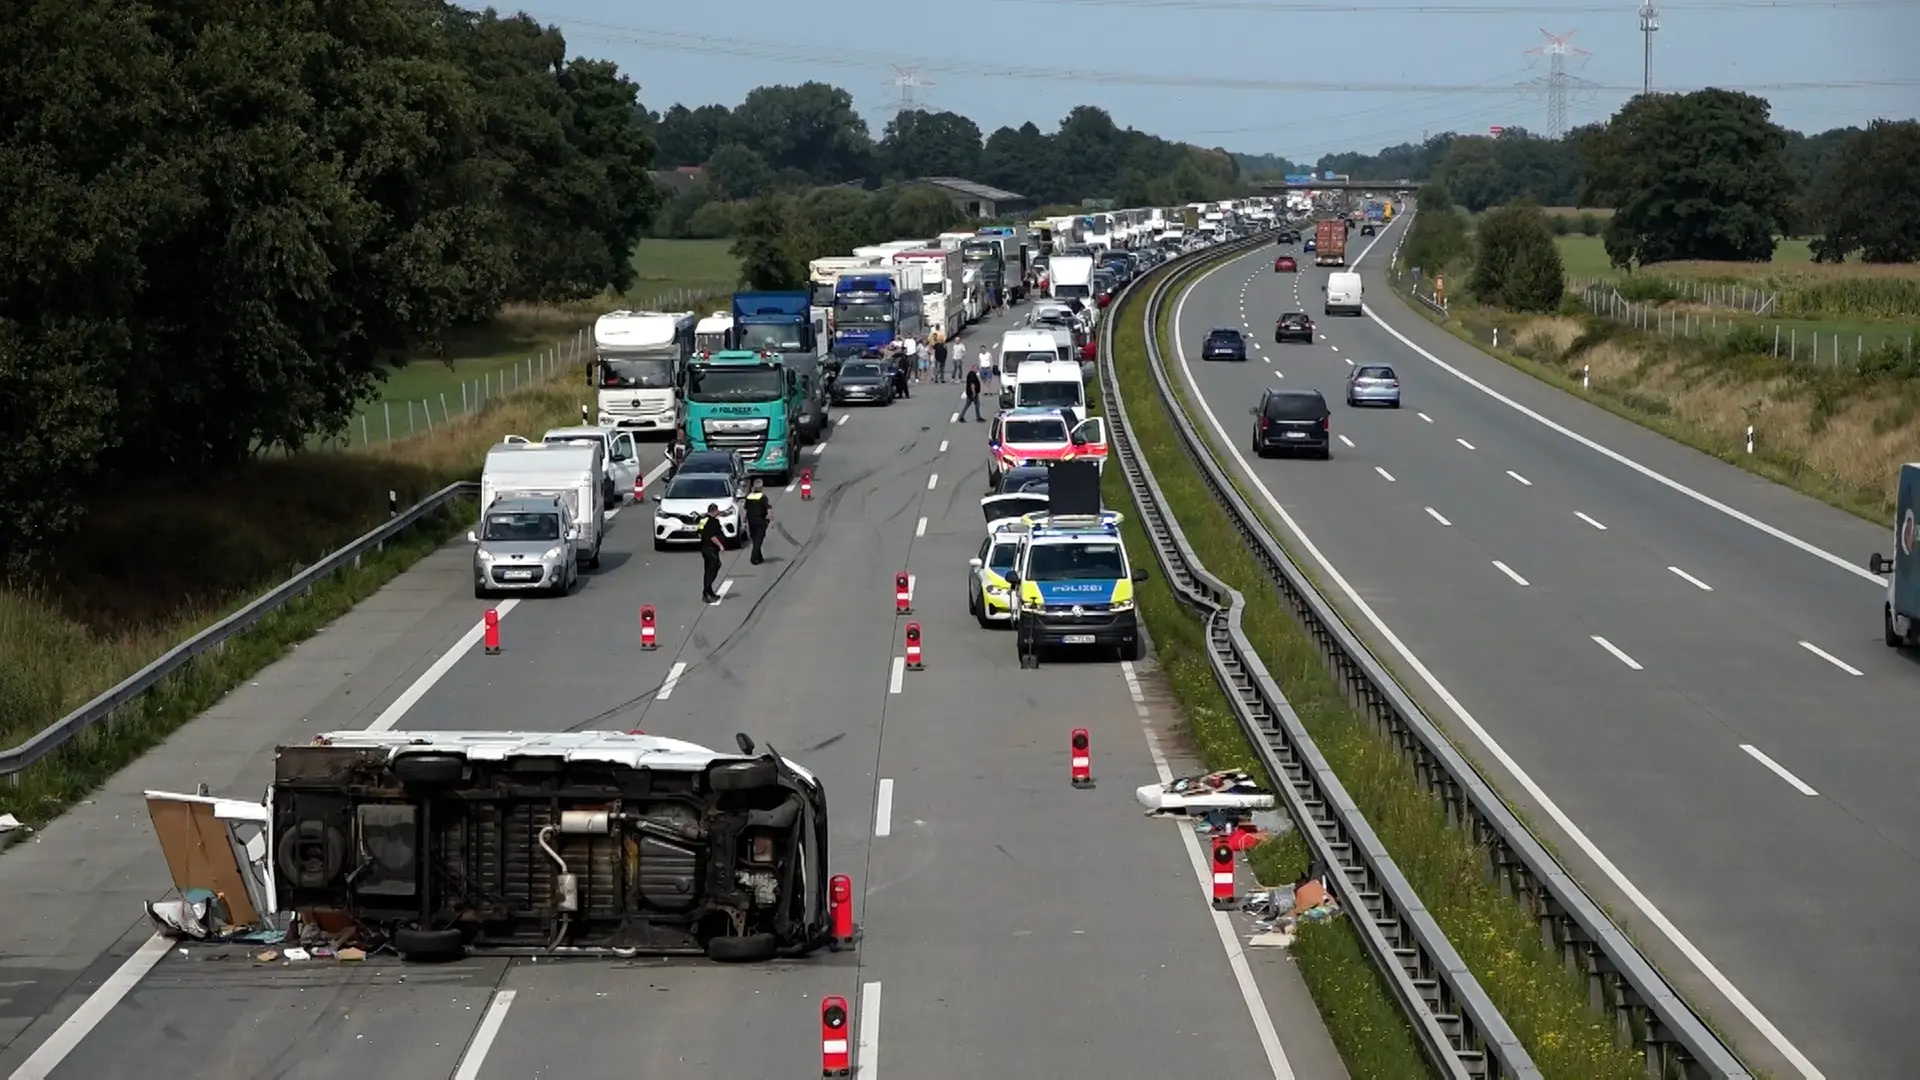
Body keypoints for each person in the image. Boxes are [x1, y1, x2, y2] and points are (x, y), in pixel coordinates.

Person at [698, 503, 725, 602]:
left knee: (707, 570)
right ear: (714, 511)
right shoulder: (713, 521)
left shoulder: (702, 520)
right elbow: (712, 536)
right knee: (714, 568)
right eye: (717, 510)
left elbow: (699, 533)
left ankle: (708, 592)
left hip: (704, 548)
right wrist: (720, 545)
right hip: (711, 549)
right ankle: (706, 591)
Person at [744, 479, 770, 565]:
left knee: (755, 538)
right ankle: (753, 557)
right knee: (759, 539)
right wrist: (772, 520)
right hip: (760, 520)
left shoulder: (749, 497)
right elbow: (768, 509)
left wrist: (744, 520)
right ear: (761, 487)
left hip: (751, 520)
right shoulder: (762, 497)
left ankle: (759, 557)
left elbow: (745, 509)